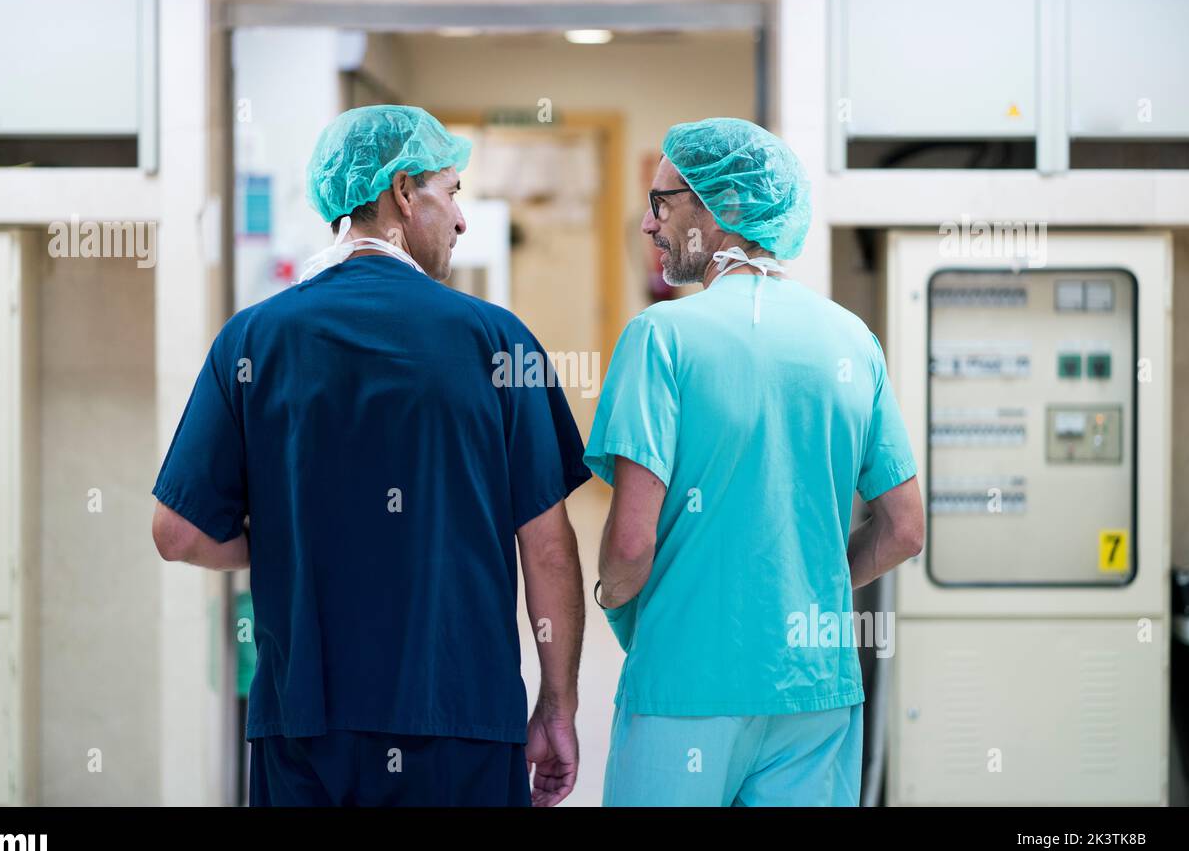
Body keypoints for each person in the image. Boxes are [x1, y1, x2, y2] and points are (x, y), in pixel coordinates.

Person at [151, 105, 591, 807]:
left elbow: (178, 532)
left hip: (305, 733)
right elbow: (547, 549)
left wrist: (292, 539)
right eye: (452, 191)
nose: (461, 218)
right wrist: (558, 706)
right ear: (403, 192)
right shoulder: (499, 342)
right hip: (463, 723)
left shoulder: (253, 341)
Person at [586, 117, 923, 807]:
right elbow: (906, 528)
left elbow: (628, 545)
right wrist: (810, 588)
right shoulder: (851, 339)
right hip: (814, 692)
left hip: (686, 683)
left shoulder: (661, 338)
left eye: (660, 203)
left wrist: (618, 603)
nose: (648, 226)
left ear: (720, 208)